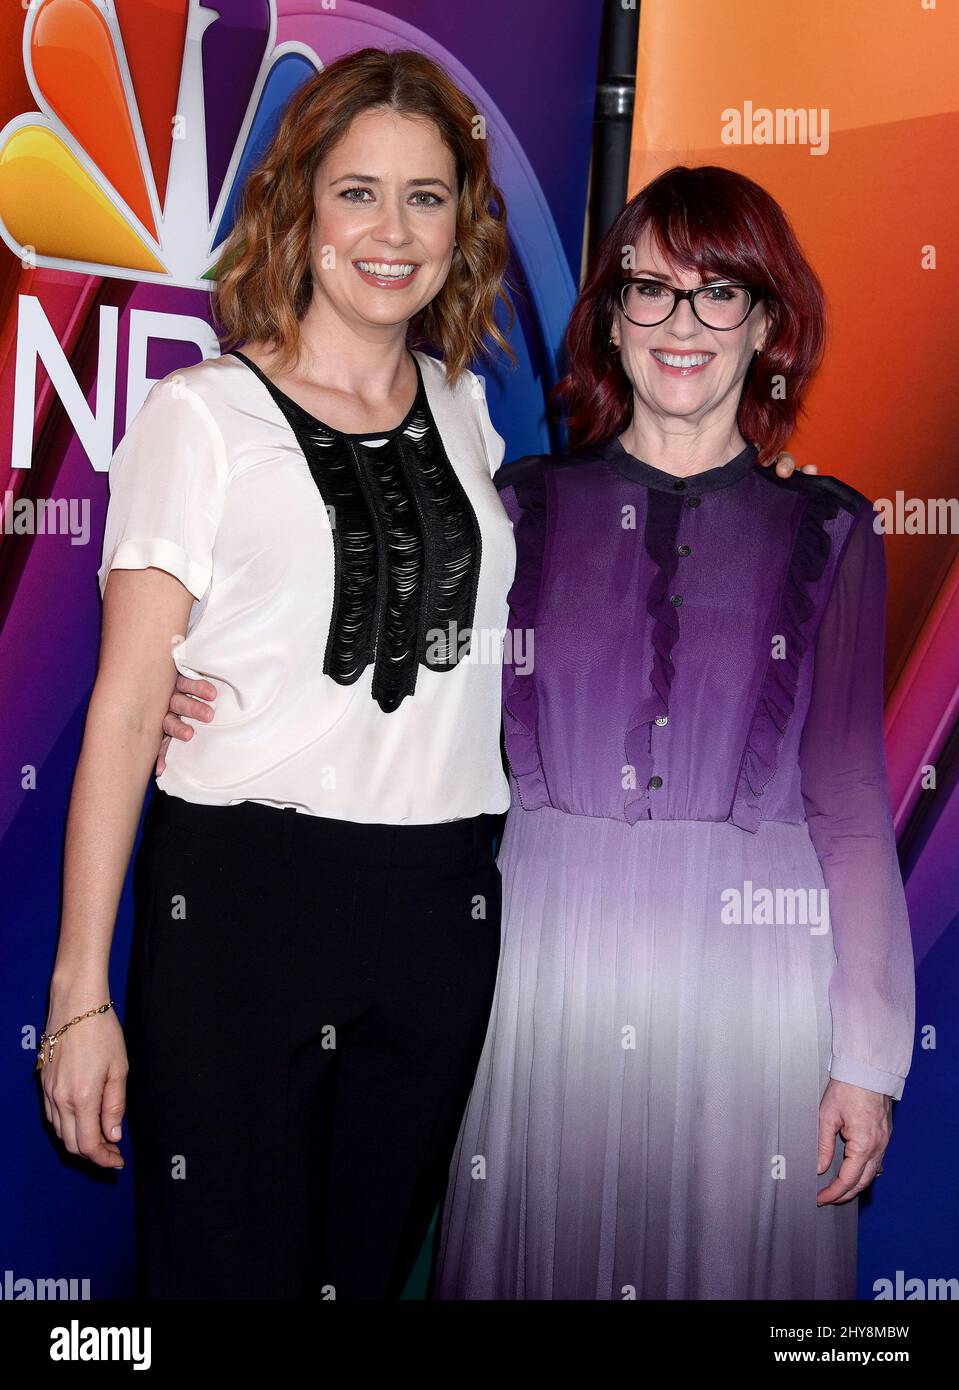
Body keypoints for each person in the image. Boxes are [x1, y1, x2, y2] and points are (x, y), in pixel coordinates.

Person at [38, 47, 518, 1301]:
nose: (392, 229)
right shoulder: (201, 418)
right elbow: (128, 706)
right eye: (356, 191)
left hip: (439, 908)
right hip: (245, 906)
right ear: (298, 208)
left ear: (459, 224)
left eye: (426, 195)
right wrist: (80, 993)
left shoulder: (469, 411)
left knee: (359, 1284)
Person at [429, 165, 916, 1300]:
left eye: (718, 293)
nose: (680, 323)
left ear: (766, 326)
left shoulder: (829, 529)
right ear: (608, 319)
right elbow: (406, 700)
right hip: (541, 980)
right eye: (648, 290)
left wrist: (867, 1058)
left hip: (750, 989)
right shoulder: (517, 509)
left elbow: (847, 801)